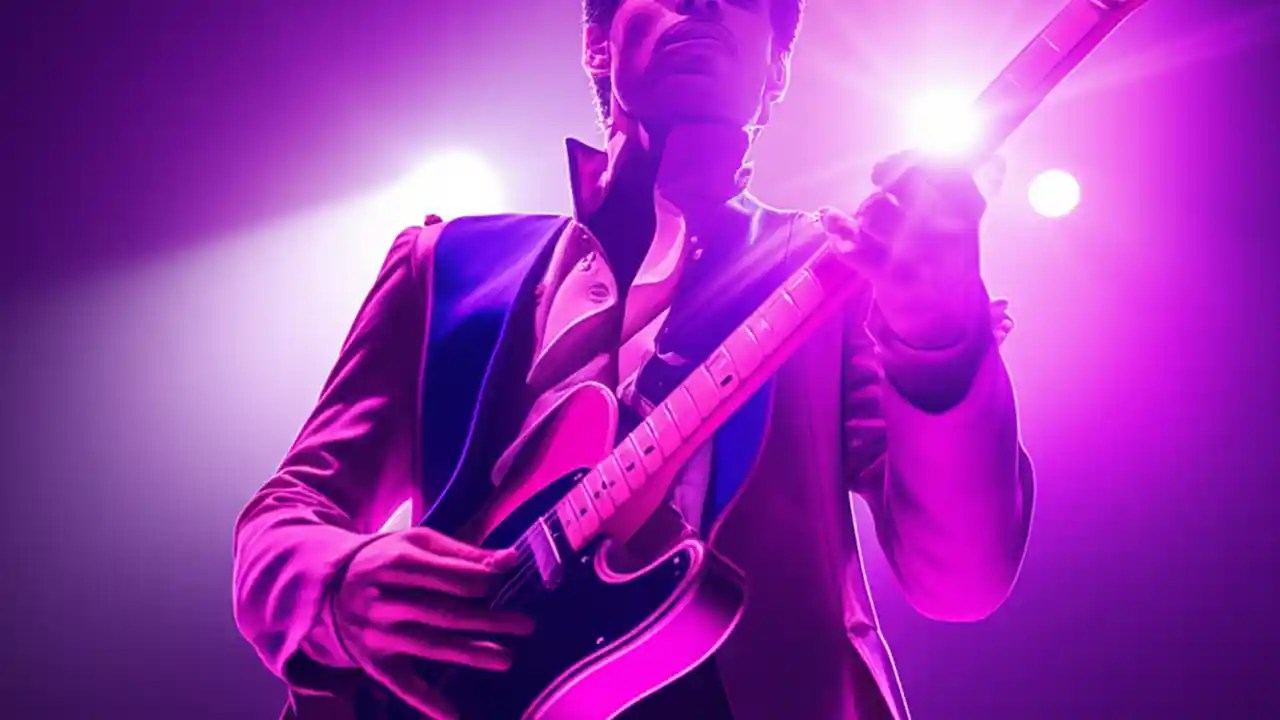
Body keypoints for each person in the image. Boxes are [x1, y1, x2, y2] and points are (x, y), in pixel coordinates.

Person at [232, 1, 1035, 718]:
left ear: (777, 71)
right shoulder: (446, 263)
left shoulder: (841, 276)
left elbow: (961, 581)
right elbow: (290, 512)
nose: (703, 3)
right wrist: (334, 585)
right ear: (597, 43)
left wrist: (940, 335)